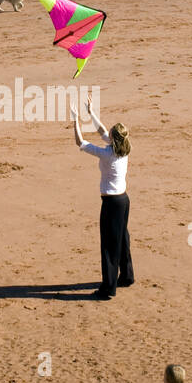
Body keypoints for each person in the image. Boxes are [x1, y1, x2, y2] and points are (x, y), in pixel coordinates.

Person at [71, 96, 133, 300]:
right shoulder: (124, 149)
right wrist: (90, 112)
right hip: (124, 200)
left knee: (109, 244)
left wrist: (75, 121)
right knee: (122, 238)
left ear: (114, 139)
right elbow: (103, 132)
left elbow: (80, 142)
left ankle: (108, 288)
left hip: (112, 203)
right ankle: (127, 276)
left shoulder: (107, 154)